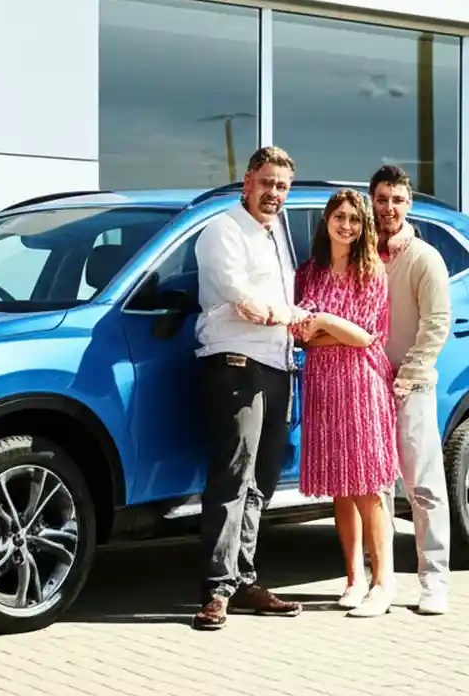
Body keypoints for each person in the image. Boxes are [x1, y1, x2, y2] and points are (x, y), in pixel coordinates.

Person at [190, 145, 307, 631]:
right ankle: (216, 589)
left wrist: (294, 323)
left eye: (281, 187)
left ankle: (245, 580)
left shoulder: (276, 234)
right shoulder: (223, 230)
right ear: (247, 182)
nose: (274, 194)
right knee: (232, 477)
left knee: (261, 482)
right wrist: (298, 317)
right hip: (237, 364)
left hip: (278, 366)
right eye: (266, 184)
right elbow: (246, 302)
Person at [291, 188, 401, 617]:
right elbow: (299, 333)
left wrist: (322, 322)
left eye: (355, 220)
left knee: (368, 487)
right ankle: (354, 577)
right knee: (340, 486)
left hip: (362, 383)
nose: (347, 226)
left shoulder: (371, 272)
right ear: (327, 221)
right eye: (340, 217)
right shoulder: (309, 273)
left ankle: (383, 582)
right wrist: (327, 328)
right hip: (322, 384)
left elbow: (365, 335)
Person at [369, 164, 453, 616]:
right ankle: (381, 581)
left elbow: (436, 323)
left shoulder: (423, 258)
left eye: (397, 200)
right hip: (367, 385)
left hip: (411, 386)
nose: (388, 208)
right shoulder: (364, 255)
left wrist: (410, 374)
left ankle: (434, 581)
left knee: (422, 485)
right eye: (381, 199)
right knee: (376, 485)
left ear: (409, 204)